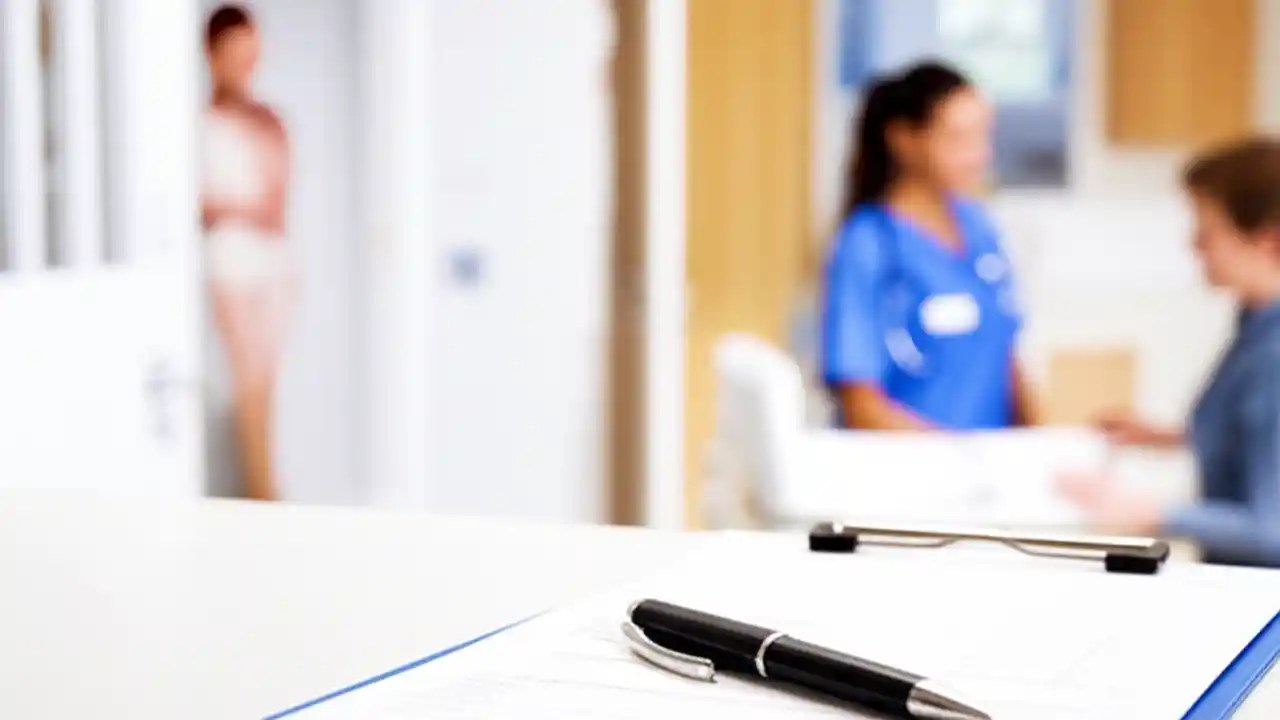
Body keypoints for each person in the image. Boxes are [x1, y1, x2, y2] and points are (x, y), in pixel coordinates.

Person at [1061, 138, 1280, 567]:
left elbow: (1271, 530)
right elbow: (1257, 432)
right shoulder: (1256, 323)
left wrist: (1148, 511)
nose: (1193, 246)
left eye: (1207, 231)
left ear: (1269, 242)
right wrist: (1164, 436)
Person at [822, 62, 1033, 430]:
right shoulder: (869, 244)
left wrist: (1045, 444)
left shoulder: (979, 228)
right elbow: (860, 403)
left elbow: (1007, 359)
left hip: (989, 457)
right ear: (904, 140)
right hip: (907, 461)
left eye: (983, 135)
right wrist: (952, 457)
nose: (978, 155)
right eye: (958, 138)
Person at [201, 4, 294, 501]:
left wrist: (234, 207)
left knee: (267, 387)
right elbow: (202, 206)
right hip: (231, 268)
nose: (245, 65)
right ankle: (266, 497)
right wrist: (238, 207)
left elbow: (275, 202)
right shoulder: (199, 125)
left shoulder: (268, 122)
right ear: (212, 55)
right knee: (249, 387)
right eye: (235, 53)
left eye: (251, 54)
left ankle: (265, 491)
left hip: (273, 264)